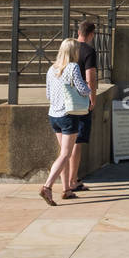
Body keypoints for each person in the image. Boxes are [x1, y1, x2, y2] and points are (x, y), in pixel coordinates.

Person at [41, 38, 92, 205]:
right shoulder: (73, 67)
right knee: (65, 154)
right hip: (68, 115)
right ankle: (47, 187)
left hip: (53, 115)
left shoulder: (51, 69)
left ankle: (66, 190)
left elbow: (48, 94)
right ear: (73, 52)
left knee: (62, 153)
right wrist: (89, 87)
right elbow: (83, 90)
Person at [66, 18, 99, 194]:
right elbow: (90, 77)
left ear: (79, 32)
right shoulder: (89, 50)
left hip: (64, 99)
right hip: (80, 100)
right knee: (77, 141)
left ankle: (70, 180)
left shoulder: (68, 48)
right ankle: (73, 179)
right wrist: (92, 98)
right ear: (91, 34)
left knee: (66, 140)